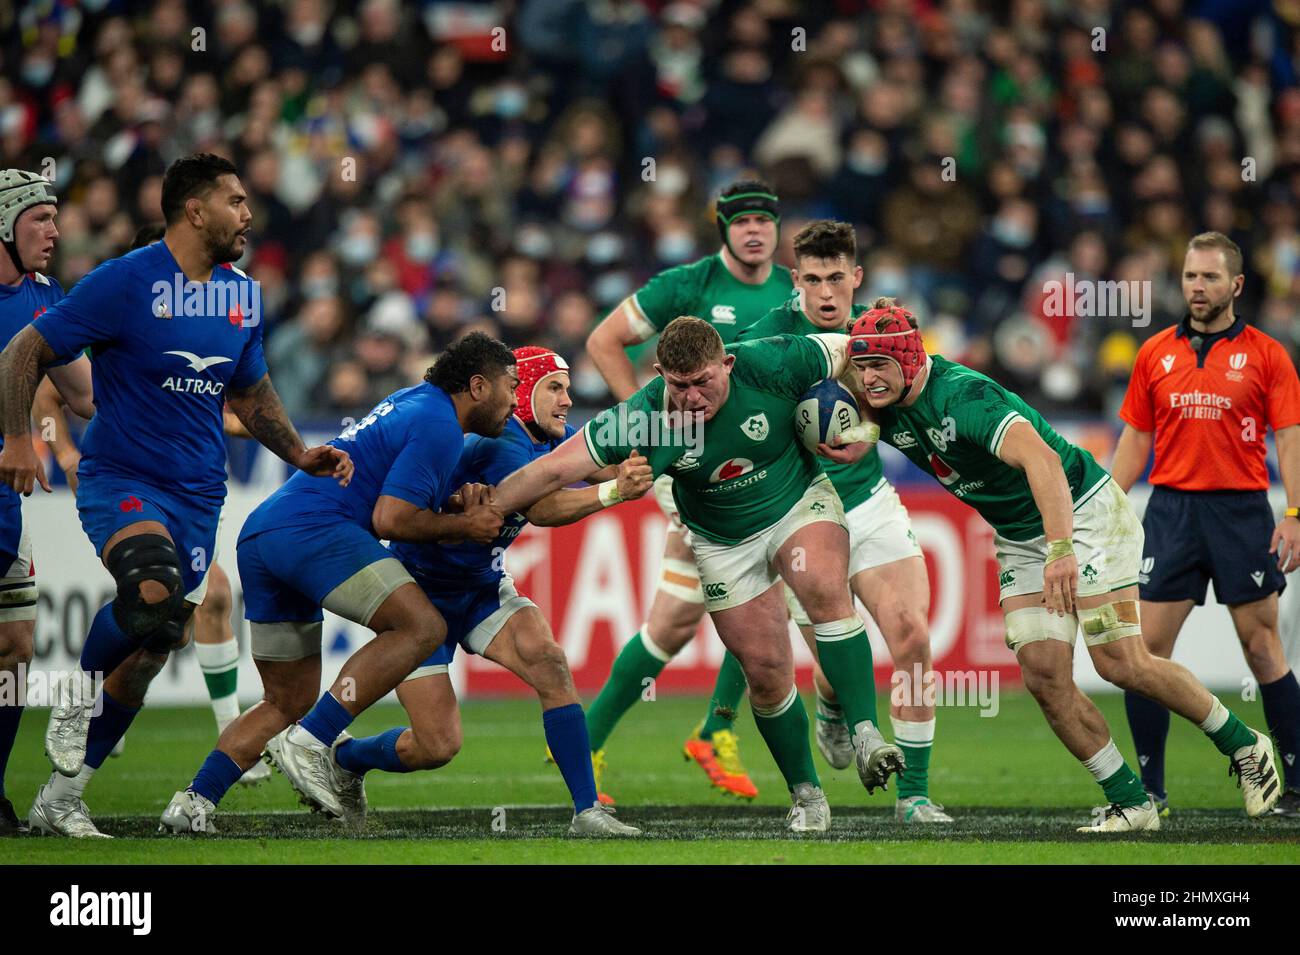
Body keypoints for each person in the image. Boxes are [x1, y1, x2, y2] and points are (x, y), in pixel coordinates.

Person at [0, 154, 353, 838]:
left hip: (199, 493)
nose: (249, 214)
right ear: (196, 210)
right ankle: (76, 688)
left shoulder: (241, 295)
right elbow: (24, 352)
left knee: (155, 645)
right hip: (122, 478)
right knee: (152, 586)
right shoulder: (123, 282)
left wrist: (297, 452)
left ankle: (63, 796)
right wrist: (20, 439)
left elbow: (249, 391)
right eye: (236, 201)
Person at [833, 297, 1281, 831]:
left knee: (1119, 661)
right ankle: (1131, 802)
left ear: (911, 359)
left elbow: (1043, 462)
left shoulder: (966, 396)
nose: (869, 380)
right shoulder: (880, 393)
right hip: (1020, 535)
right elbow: (840, 370)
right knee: (1044, 674)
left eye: (879, 366)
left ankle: (1245, 745)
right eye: (862, 368)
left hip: (1083, 513)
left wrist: (1061, 550)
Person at [495, 317, 902, 832]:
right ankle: (807, 794)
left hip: (797, 502)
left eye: (703, 382)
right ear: (661, 372)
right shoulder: (641, 416)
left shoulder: (777, 358)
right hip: (720, 541)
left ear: (728, 363)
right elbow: (551, 470)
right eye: (678, 385)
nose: (690, 397)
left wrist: (865, 429)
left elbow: (867, 356)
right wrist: (489, 507)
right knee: (765, 669)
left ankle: (865, 732)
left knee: (823, 587)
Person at [159, 333, 513, 835]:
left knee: (285, 700)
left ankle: (193, 802)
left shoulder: (414, 401)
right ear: (478, 386)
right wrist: (465, 526)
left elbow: (393, 497)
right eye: (512, 386)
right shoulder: (440, 424)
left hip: (264, 535)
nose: (516, 401)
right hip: (313, 529)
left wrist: (450, 507)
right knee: (421, 626)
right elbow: (390, 518)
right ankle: (313, 741)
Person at [332, 346, 652, 836]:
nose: (567, 400)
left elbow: (599, 465)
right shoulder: (502, 443)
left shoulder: (547, 435)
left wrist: (647, 461)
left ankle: (587, 810)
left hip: (480, 586)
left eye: (567, 387)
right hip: (421, 596)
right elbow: (543, 508)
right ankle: (347, 757)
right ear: (520, 394)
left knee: (548, 660)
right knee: (436, 746)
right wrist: (615, 492)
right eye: (555, 388)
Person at [583, 179, 801, 800]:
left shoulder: (793, 290)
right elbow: (603, 339)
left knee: (706, 612)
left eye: (765, 220)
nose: (755, 230)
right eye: (742, 221)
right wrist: (650, 426)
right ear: (724, 229)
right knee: (695, 615)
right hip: (695, 474)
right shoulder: (687, 285)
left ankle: (693, 730)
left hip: (761, 465)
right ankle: (608, 736)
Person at [737, 220, 948, 822]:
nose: (825, 293)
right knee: (839, 659)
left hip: (869, 501)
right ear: (793, 280)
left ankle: (915, 797)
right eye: (812, 280)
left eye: (836, 278)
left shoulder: (880, 331)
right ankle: (833, 703)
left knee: (912, 636)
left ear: (856, 277)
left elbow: (910, 391)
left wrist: (871, 428)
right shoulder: (768, 338)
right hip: (801, 518)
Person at [1112, 231, 1300, 817]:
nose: (1197, 287)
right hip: (1170, 511)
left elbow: (1291, 437)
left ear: (1236, 285)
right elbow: (1135, 438)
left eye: (1210, 277)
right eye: (1191, 276)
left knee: (1263, 648)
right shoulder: (1154, 354)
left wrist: (1295, 512)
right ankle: (1151, 791)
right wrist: (1106, 507)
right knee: (1145, 652)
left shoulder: (1269, 355)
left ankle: (1293, 784)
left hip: (1242, 510)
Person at [0, 170, 94, 834]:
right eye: (39, 218)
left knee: (15, 643)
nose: (54, 231)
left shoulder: (44, 297)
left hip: (6, 497)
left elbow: (84, 393)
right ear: (5, 225)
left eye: (56, 217)